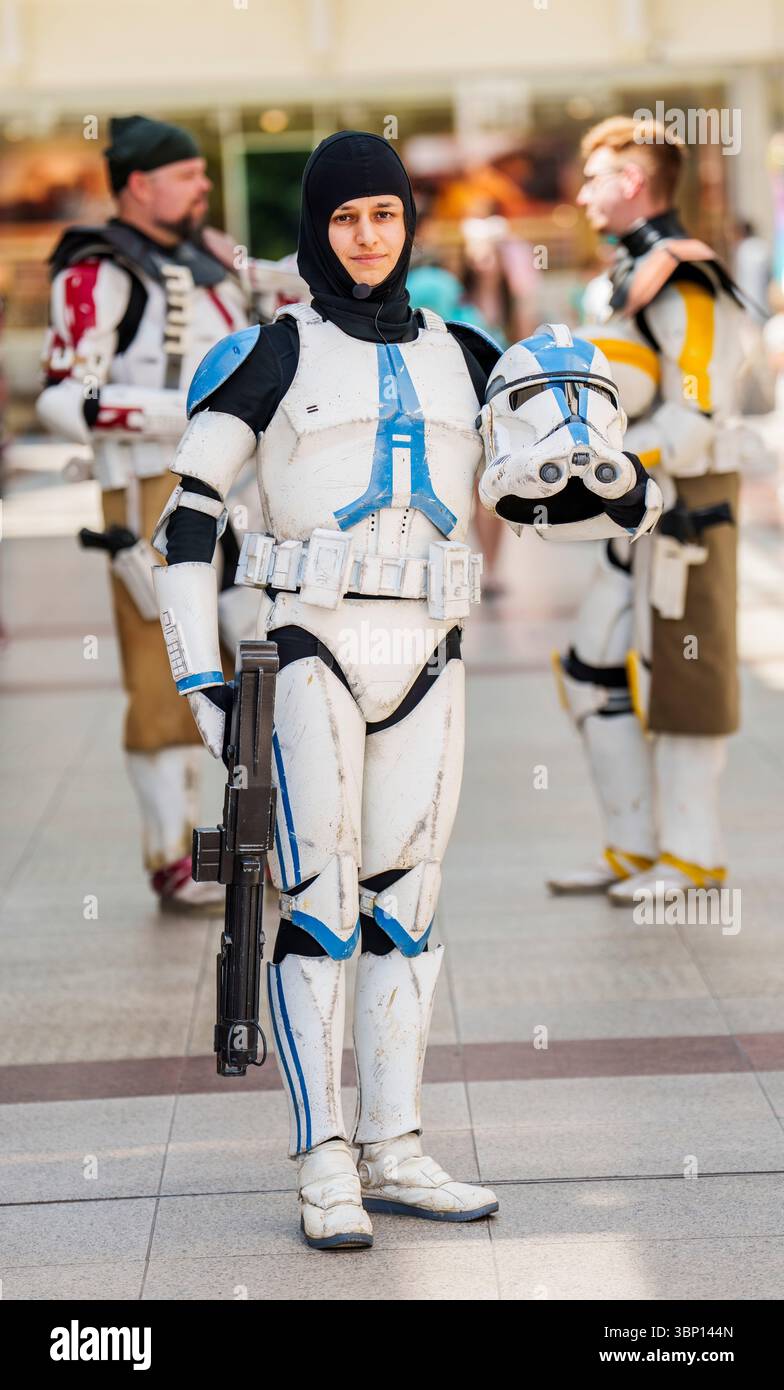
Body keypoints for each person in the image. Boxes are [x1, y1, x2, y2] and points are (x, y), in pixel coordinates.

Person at [150, 131, 658, 1249]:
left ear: (406, 222)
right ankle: (320, 1158)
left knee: (408, 907)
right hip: (308, 648)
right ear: (315, 230)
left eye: (383, 214)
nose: (367, 236)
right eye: (344, 218)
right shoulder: (272, 350)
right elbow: (187, 517)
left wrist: (620, 485)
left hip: (427, 652)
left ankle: (394, 1142)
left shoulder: (465, 350)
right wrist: (197, 677)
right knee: (318, 904)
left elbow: (562, 473)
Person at [35, 115, 298, 912]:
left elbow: (287, 304)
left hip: (244, 486)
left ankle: (266, 838)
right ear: (139, 185)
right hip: (152, 486)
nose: (204, 187)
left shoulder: (212, 254)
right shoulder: (96, 269)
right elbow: (62, 396)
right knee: (163, 671)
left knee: (263, 650)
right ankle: (177, 853)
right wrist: (185, 410)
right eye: (187, 176)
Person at [547, 115, 755, 902]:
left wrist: (608, 466)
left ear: (632, 182)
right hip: (631, 507)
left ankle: (693, 855)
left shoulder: (686, 274)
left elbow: (697, 415)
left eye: (596, 176)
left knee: (685, 680)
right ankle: (633, 846)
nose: (583, 193)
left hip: (686, 510)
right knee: (590, 669)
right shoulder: (625, 274)